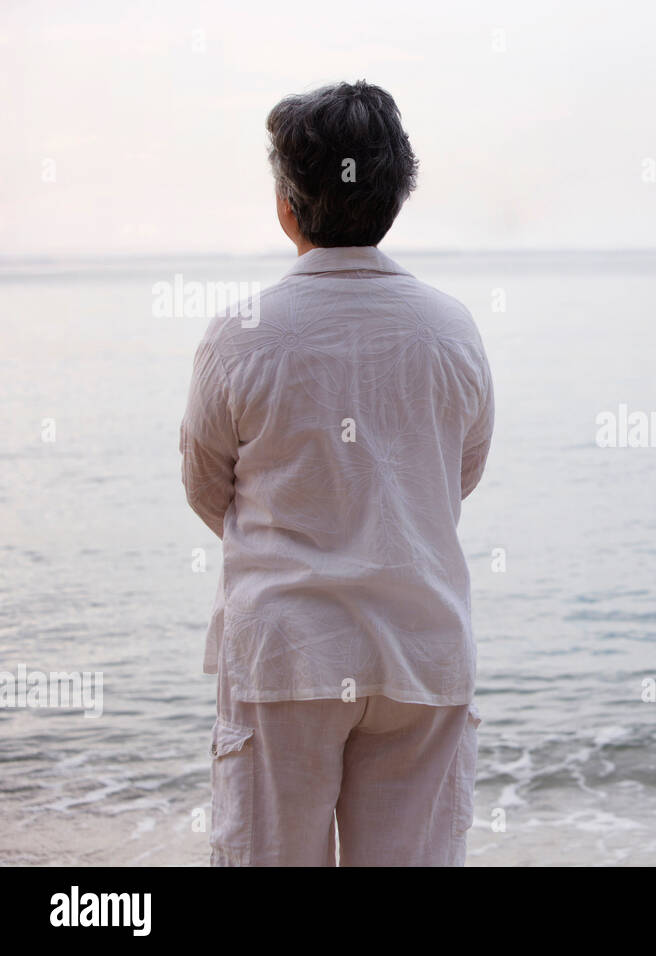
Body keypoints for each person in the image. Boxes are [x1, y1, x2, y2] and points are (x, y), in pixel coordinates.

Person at [179, 80, 493, 866]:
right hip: (420, 650)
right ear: (396, 195)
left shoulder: (240, 334)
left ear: (288, 203)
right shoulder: (452, 328)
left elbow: (206, 486)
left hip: (291, 654)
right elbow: (458, 476)